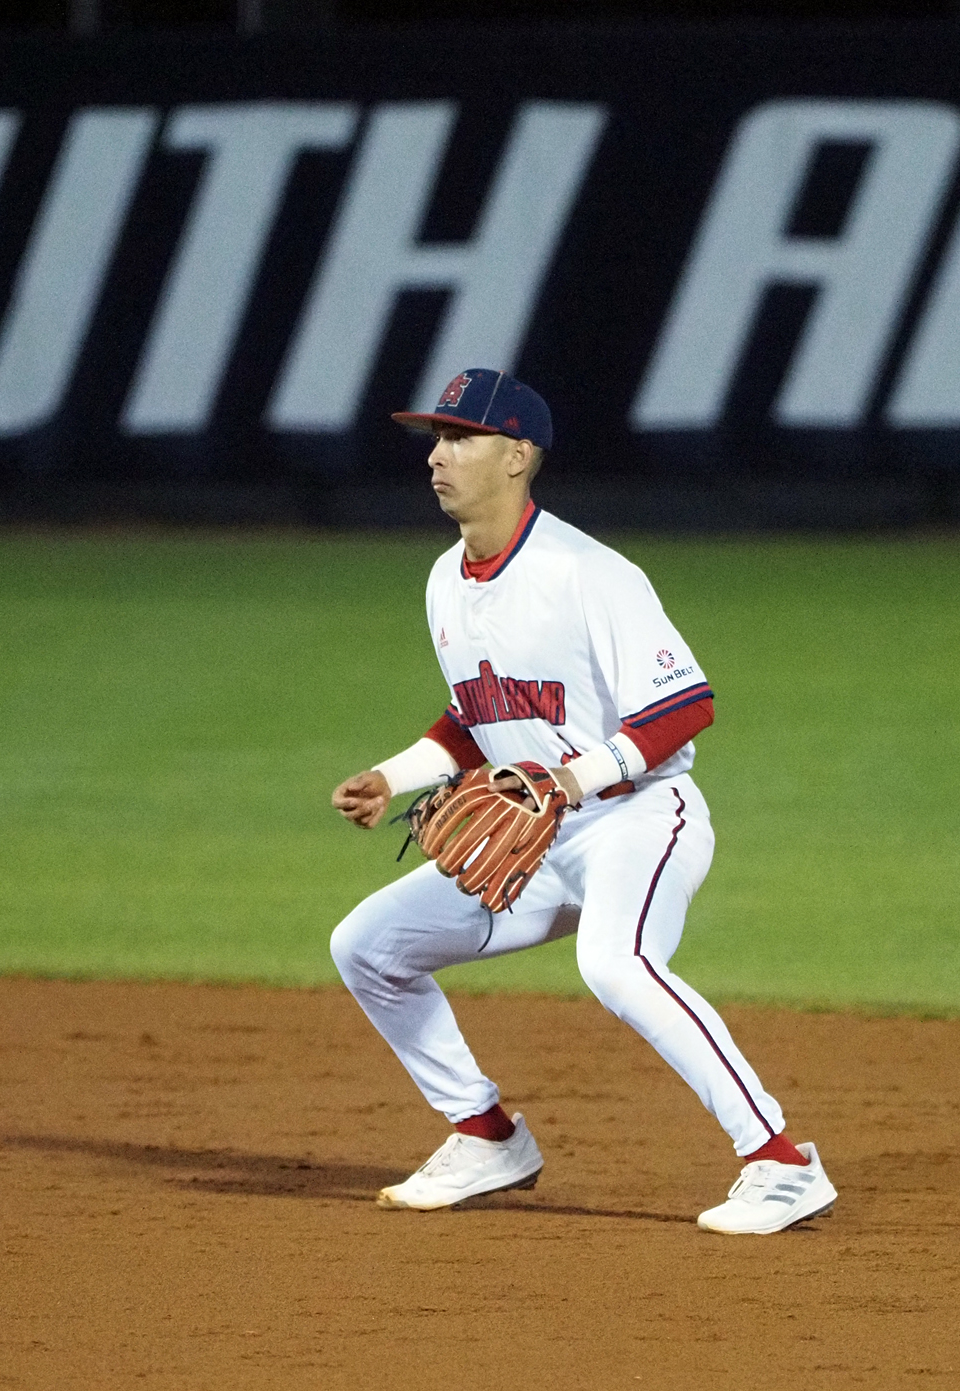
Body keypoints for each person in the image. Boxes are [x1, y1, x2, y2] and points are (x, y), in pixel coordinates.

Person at [328, 368, 836, 1235]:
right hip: (529, 841)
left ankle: (781, 1162)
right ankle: (487, 1137)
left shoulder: (590, 573)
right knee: (367, 945)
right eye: (435, 439)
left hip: (638, 819)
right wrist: (394, 775)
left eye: (461, 438)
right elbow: (478, 712)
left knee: (614, 962)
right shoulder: (446, 579)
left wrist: (567, 779)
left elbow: (685, 707)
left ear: (519, 454)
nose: (438, 457)